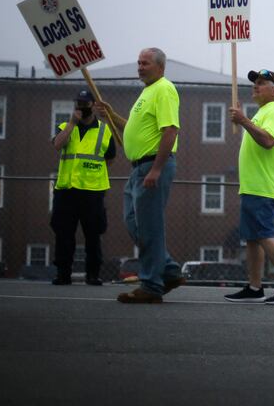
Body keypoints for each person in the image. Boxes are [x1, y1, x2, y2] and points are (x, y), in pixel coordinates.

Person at [96, 47, 184, 304]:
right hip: (138, 169)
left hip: (152, 166)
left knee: (149, 226)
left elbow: (170, 130)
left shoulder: (164, 89)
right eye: (138, 63)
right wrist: (112, 116)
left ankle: (151, 286)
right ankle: (168, 270)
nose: (140, 67)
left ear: (160, 67)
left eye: (145, 63)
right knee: (134, 222)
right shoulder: (147, 92)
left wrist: (156, 169)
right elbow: (134, 128)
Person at [223, 69, 274, 305]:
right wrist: (246, 120)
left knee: (264, 233)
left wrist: (243, 120)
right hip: (253, 185)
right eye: (254, 84)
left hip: (264, 185)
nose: (256, 87)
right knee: (252, 237)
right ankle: (254, 287)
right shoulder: (262, 112)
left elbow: (268, 141)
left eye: (262, 83)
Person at [49, 89, 116, 285]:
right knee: (63, 234)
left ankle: (93, 274)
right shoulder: (66, 126)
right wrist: (71, 123)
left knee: (93, 235)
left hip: (92, 192)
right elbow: (57, 145)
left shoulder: (104, 130)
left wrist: (91, 168)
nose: (80, 107)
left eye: (85, 103)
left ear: (94, 106)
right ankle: (63, 273)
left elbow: (110, 158)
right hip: (67, 190)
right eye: (77, 103)